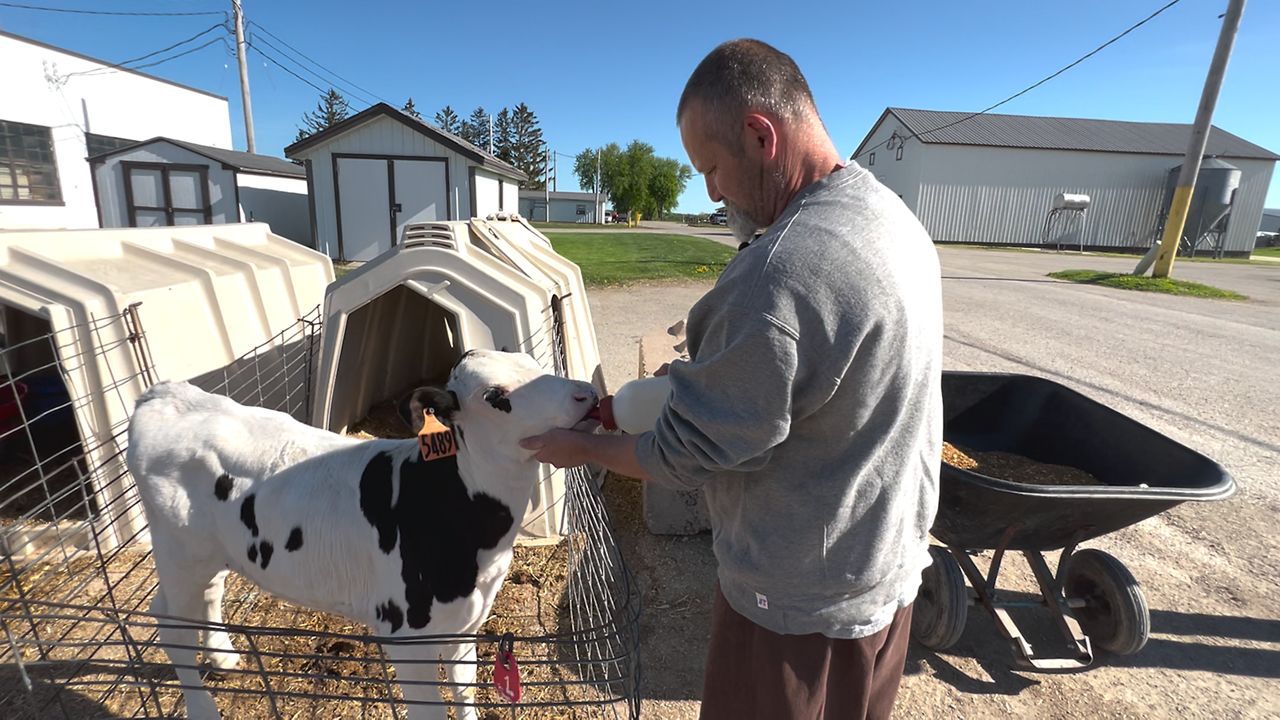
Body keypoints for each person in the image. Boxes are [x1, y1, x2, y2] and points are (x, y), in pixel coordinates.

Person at [520, 38, 943, 720]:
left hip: (797, 610)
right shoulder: (891, 219)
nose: (712, 191)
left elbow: (679, 457)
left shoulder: (779, 274)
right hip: (885, 576)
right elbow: (812, 381)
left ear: (759, 134)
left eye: (712, 168)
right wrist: (707, 378)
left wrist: (584, 450)